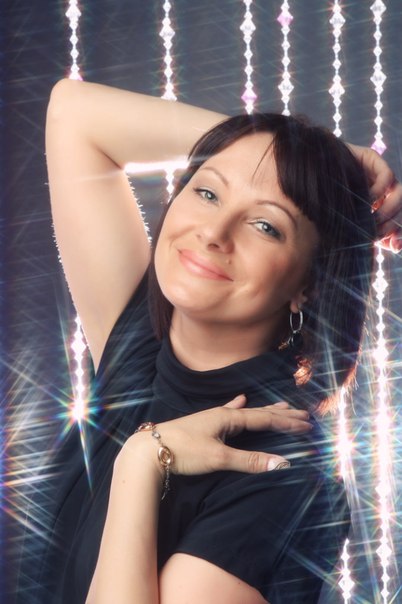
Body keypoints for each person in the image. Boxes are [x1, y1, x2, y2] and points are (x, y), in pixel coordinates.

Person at [38, 79, 401, 604]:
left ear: (309, 284)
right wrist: (309, 156)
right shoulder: (141, 347)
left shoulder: (282, 473)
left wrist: (144, 460)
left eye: (265, 226)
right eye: (207, 192)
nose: (214, 232)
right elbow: (73, 113)